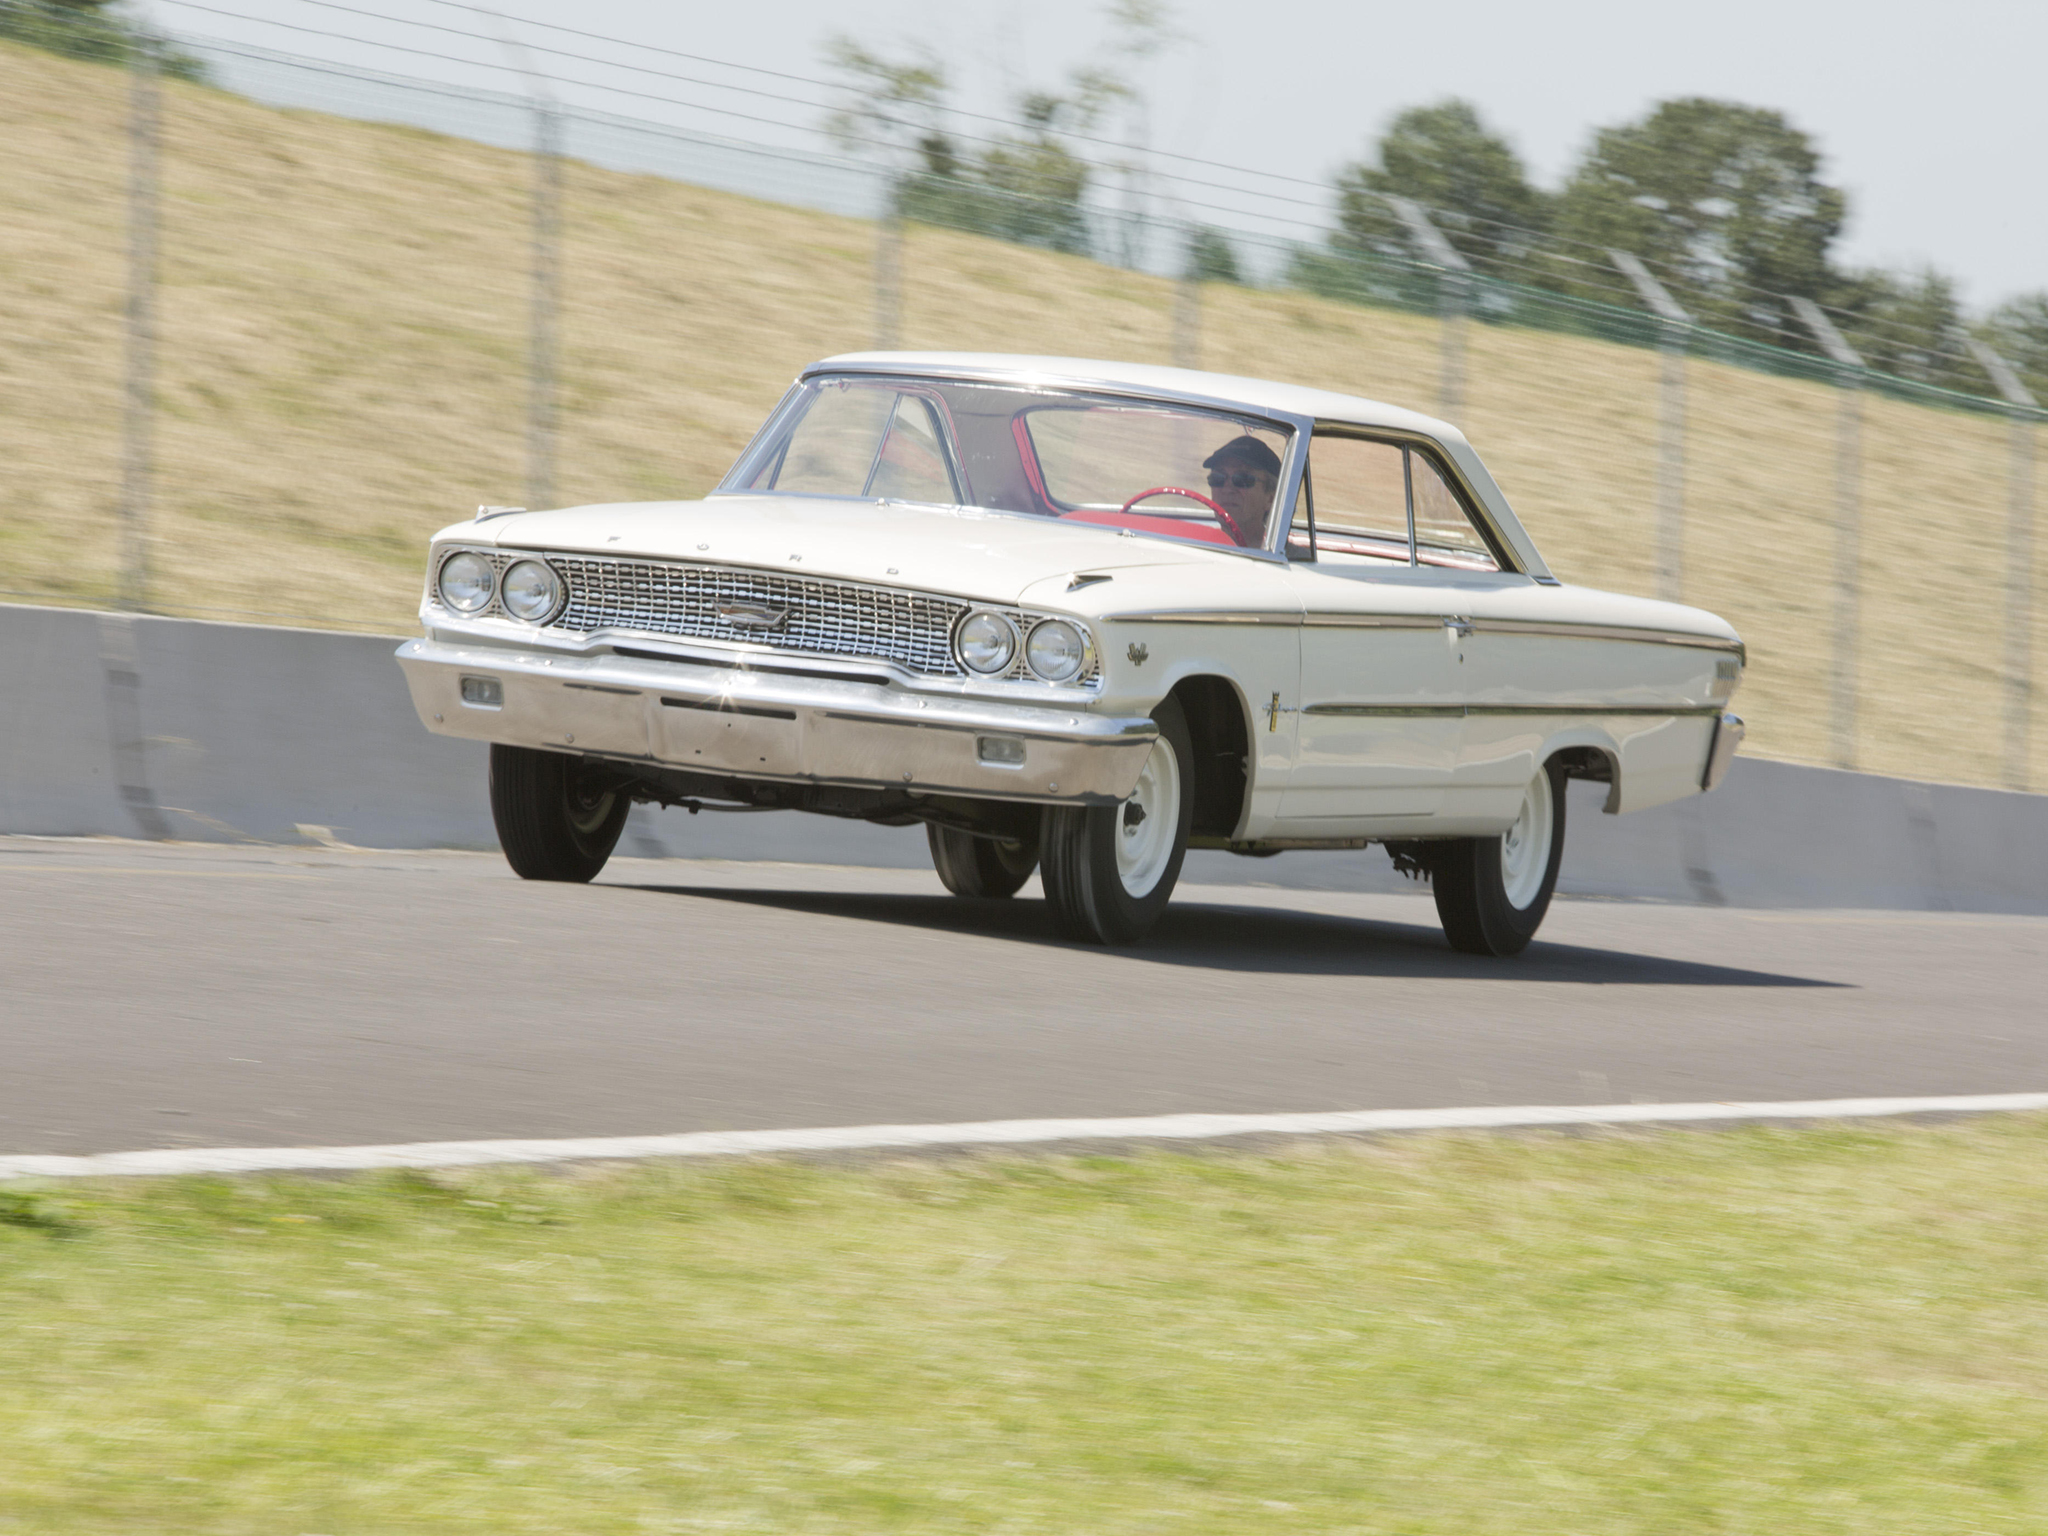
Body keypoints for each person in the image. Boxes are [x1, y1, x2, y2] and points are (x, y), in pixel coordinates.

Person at [1200, 435, 1282, 545]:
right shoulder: (1191, 546)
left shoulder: (1292, 559)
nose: (1227, 489)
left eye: (1242, 479)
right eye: (1217, 478)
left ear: (1270, 499)